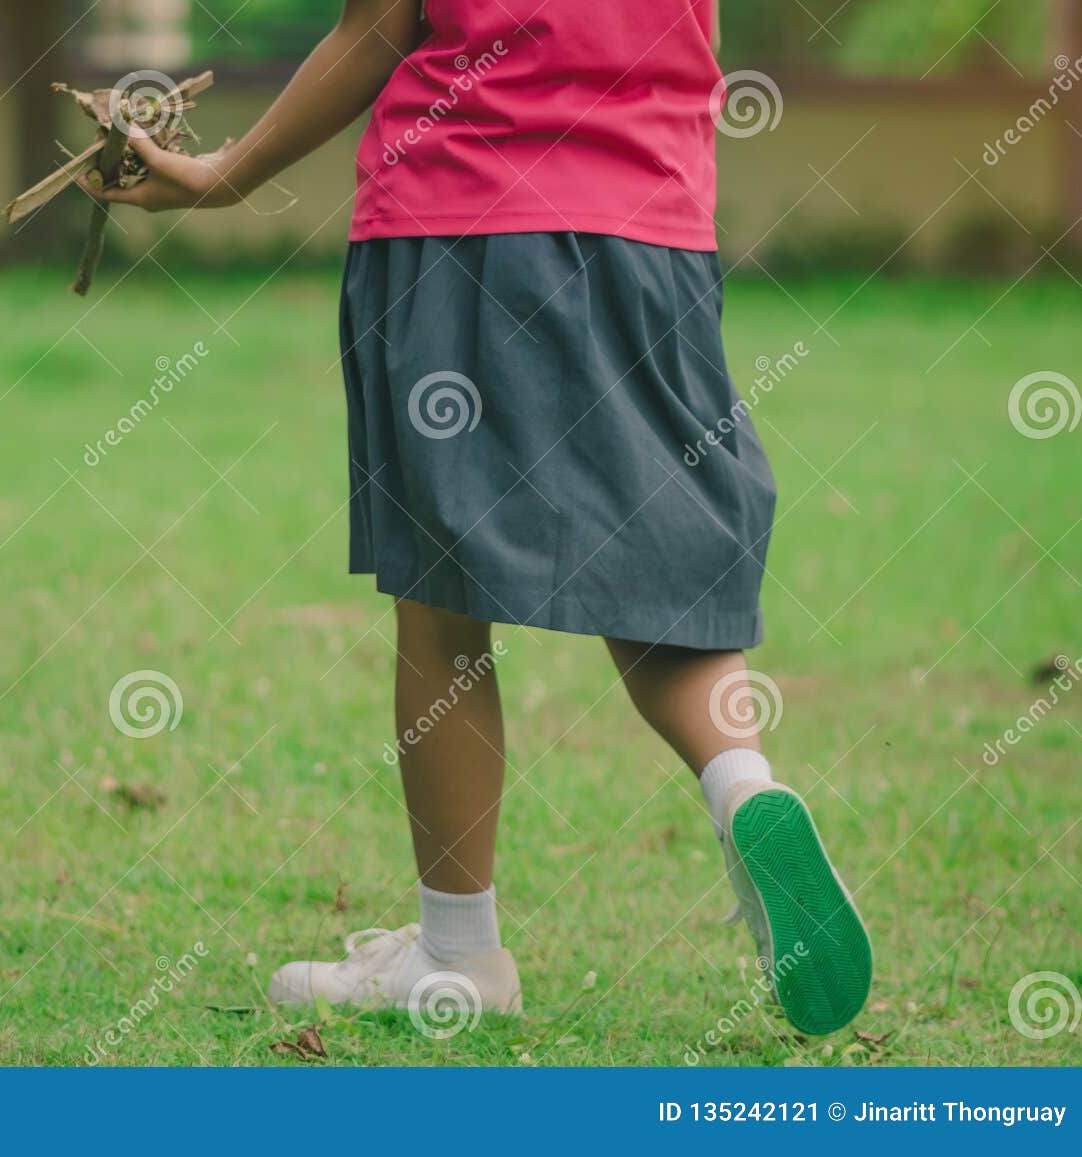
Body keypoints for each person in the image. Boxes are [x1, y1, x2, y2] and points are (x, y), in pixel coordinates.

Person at [94, 0, 872, 1037]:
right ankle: (741, 785)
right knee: (653, 558)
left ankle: (457, 954)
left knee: (442, 598)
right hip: (653, 231)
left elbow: (374, 28)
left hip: (460, 220)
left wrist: (221, 173)